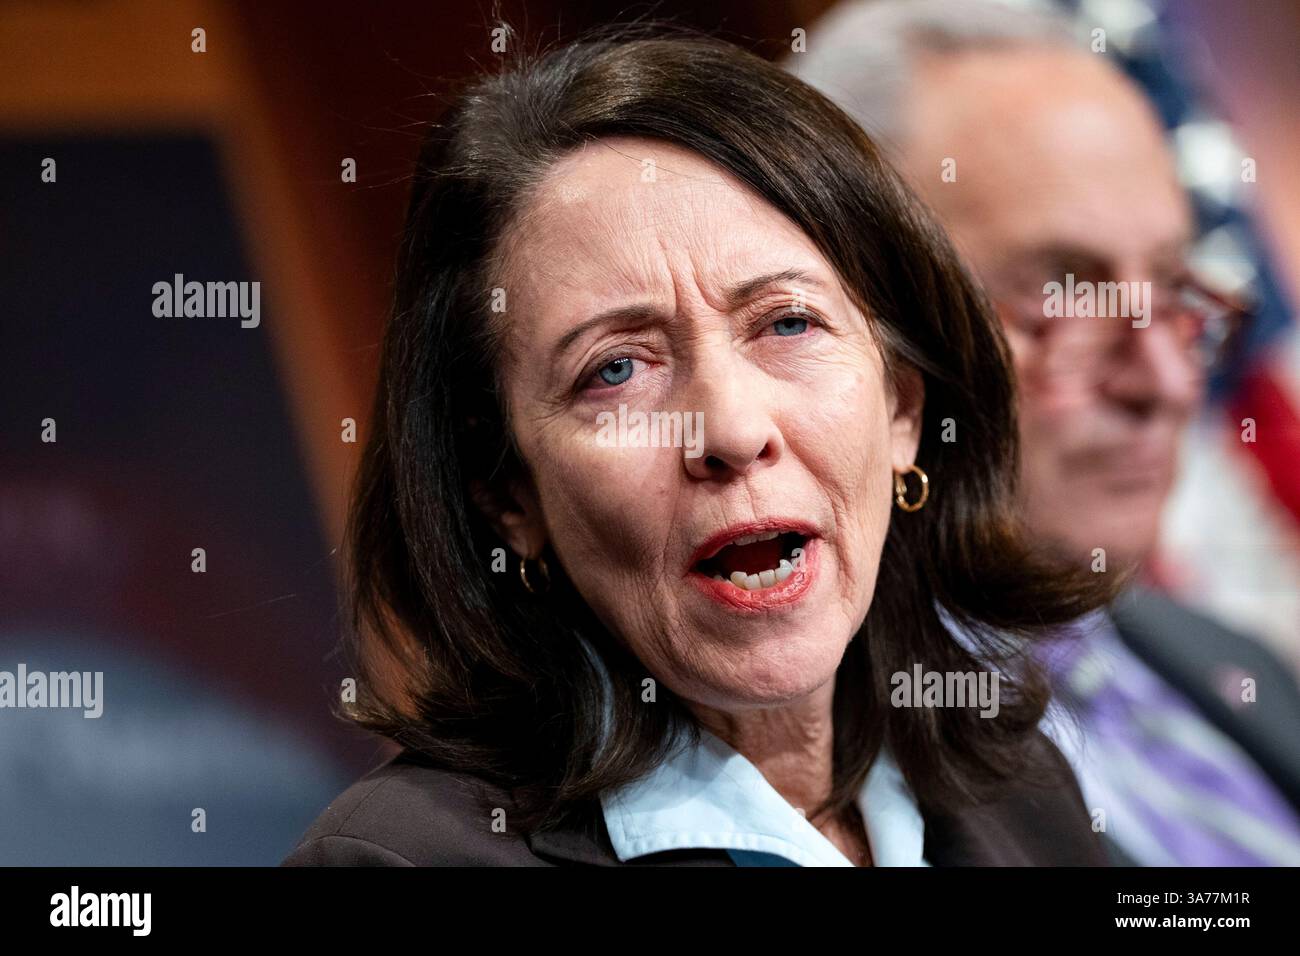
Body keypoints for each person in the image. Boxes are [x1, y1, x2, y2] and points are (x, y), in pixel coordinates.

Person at [282, 23, 1116, 868]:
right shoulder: (405, 860)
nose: (730, 431)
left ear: (903, 411)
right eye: (614, 371)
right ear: (508, 495)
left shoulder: (1022, 790)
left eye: (788, 322)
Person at [786, 0, 1300, 865]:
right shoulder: (805, 767)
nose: (1170, 383)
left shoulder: (1235, 664)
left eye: (1175, 283)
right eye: (1066, 295)